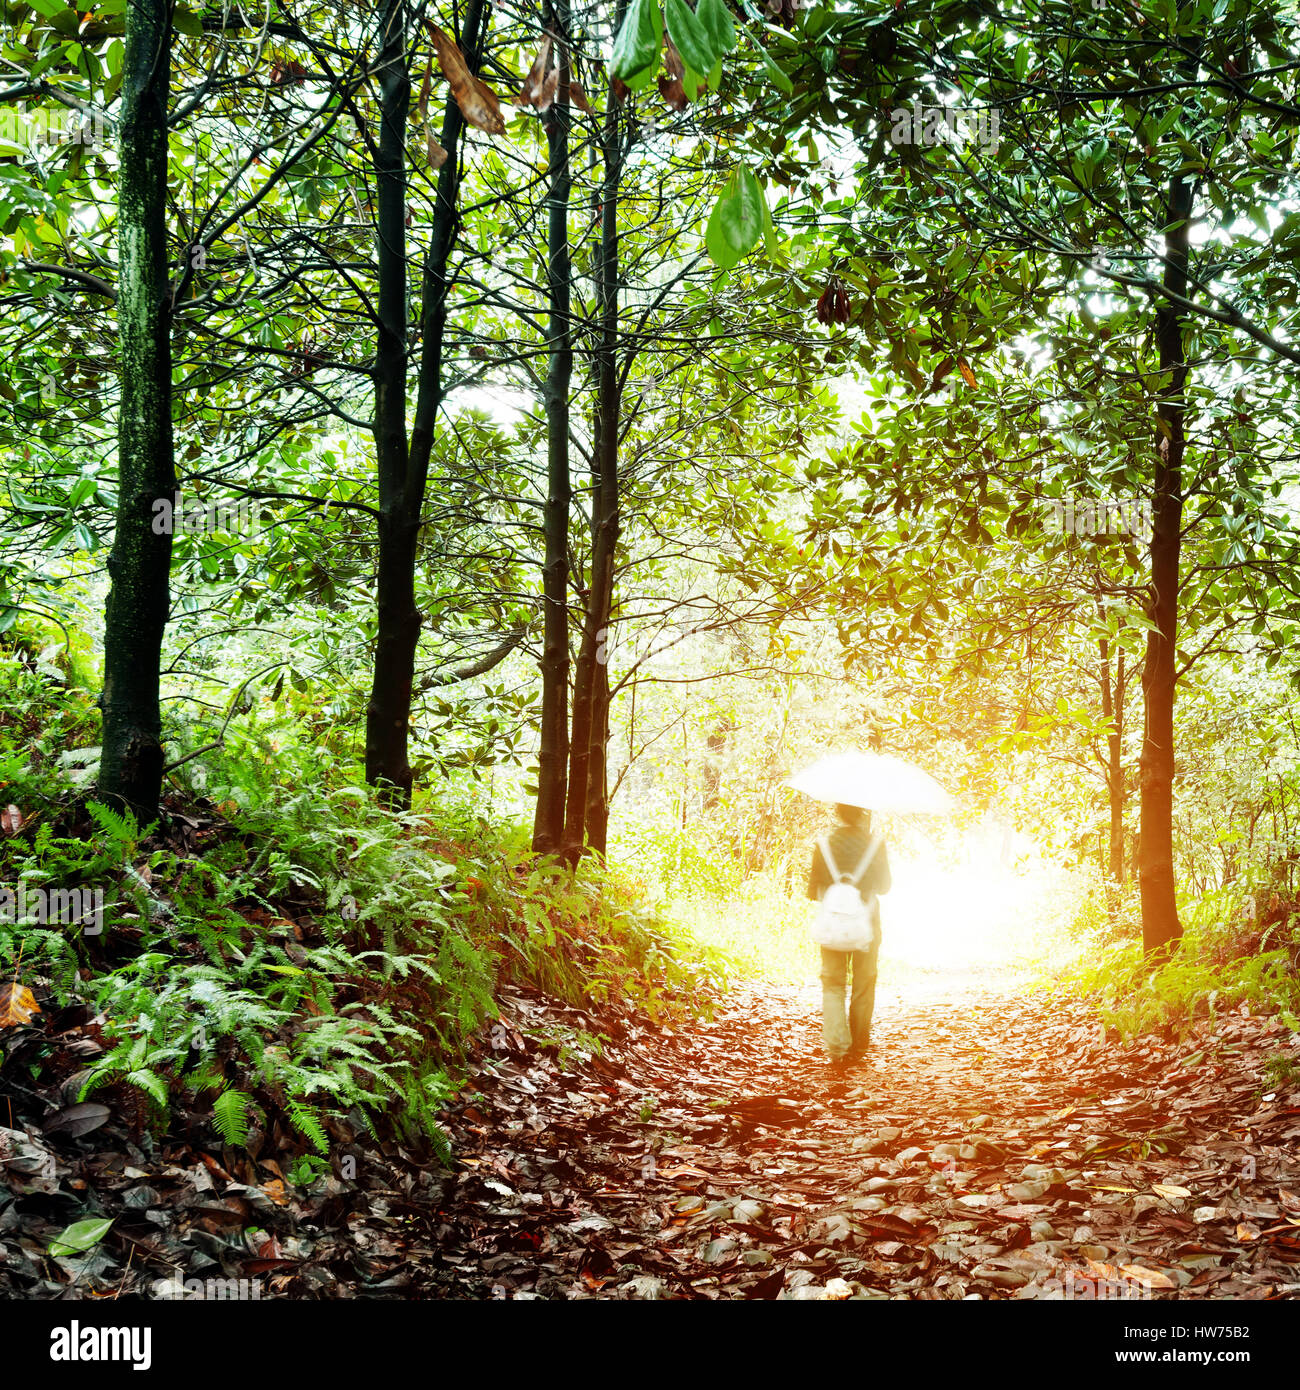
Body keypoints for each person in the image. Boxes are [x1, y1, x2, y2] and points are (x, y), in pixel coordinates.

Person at [806, 804, 891, 1066]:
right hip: (867, 924)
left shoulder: (824, 844)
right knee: (863, 983)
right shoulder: (876, 844)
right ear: (864, 813)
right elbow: (886, 886)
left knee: (833, 984)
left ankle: (837, 1047)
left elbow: (811, 891)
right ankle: (858, 1048)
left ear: (838, 813)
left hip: (833, 924)